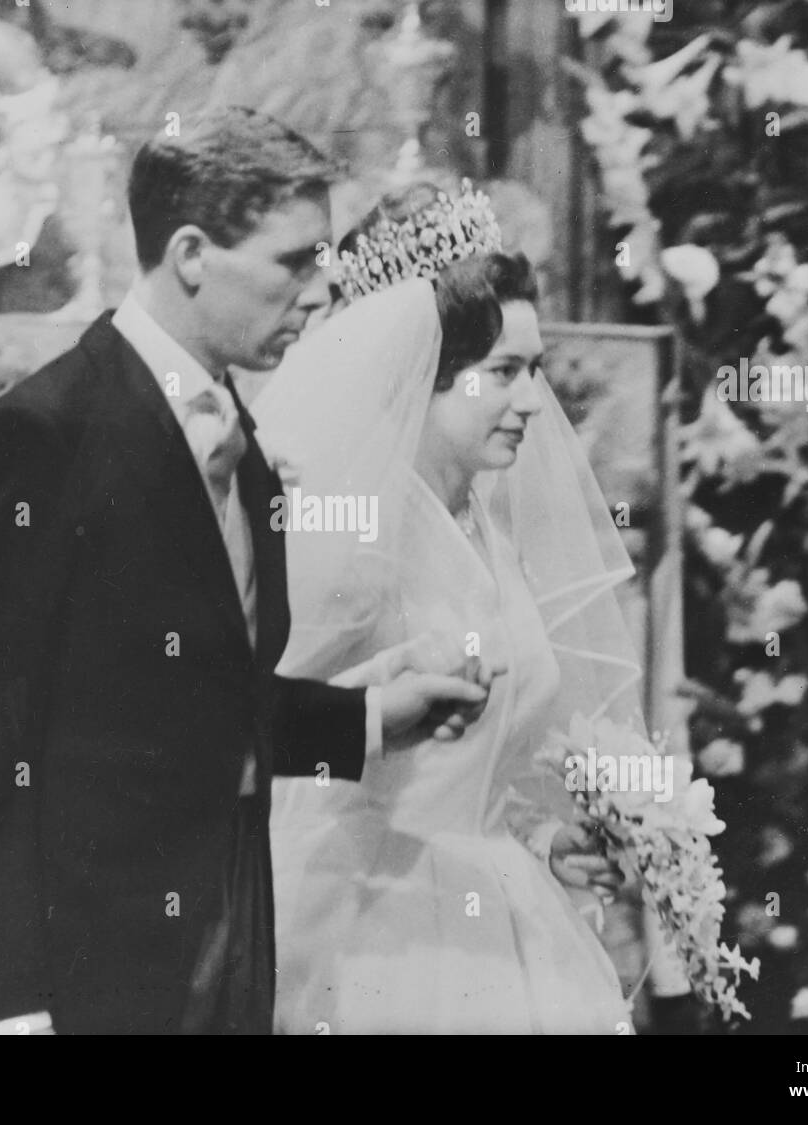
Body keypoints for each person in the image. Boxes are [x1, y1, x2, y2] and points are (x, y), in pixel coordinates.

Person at [0, 109, 490, 1035]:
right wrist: (8, 1013)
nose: (322, 290)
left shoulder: (241, 446)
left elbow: (190, 701)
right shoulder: (44, 439)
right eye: (296, 261)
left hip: (227, 938)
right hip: (88, 968)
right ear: (190, 254)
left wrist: (368, 718)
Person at [253, 184, 652, 1033]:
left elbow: (478, 780)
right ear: (416, 378)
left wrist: (545, 846)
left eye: (536, 369)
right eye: (502, 372)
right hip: (375, 947)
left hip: (504, 928)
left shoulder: (484, 522)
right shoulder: (351, 550)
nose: (534, 402)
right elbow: (273, 763)